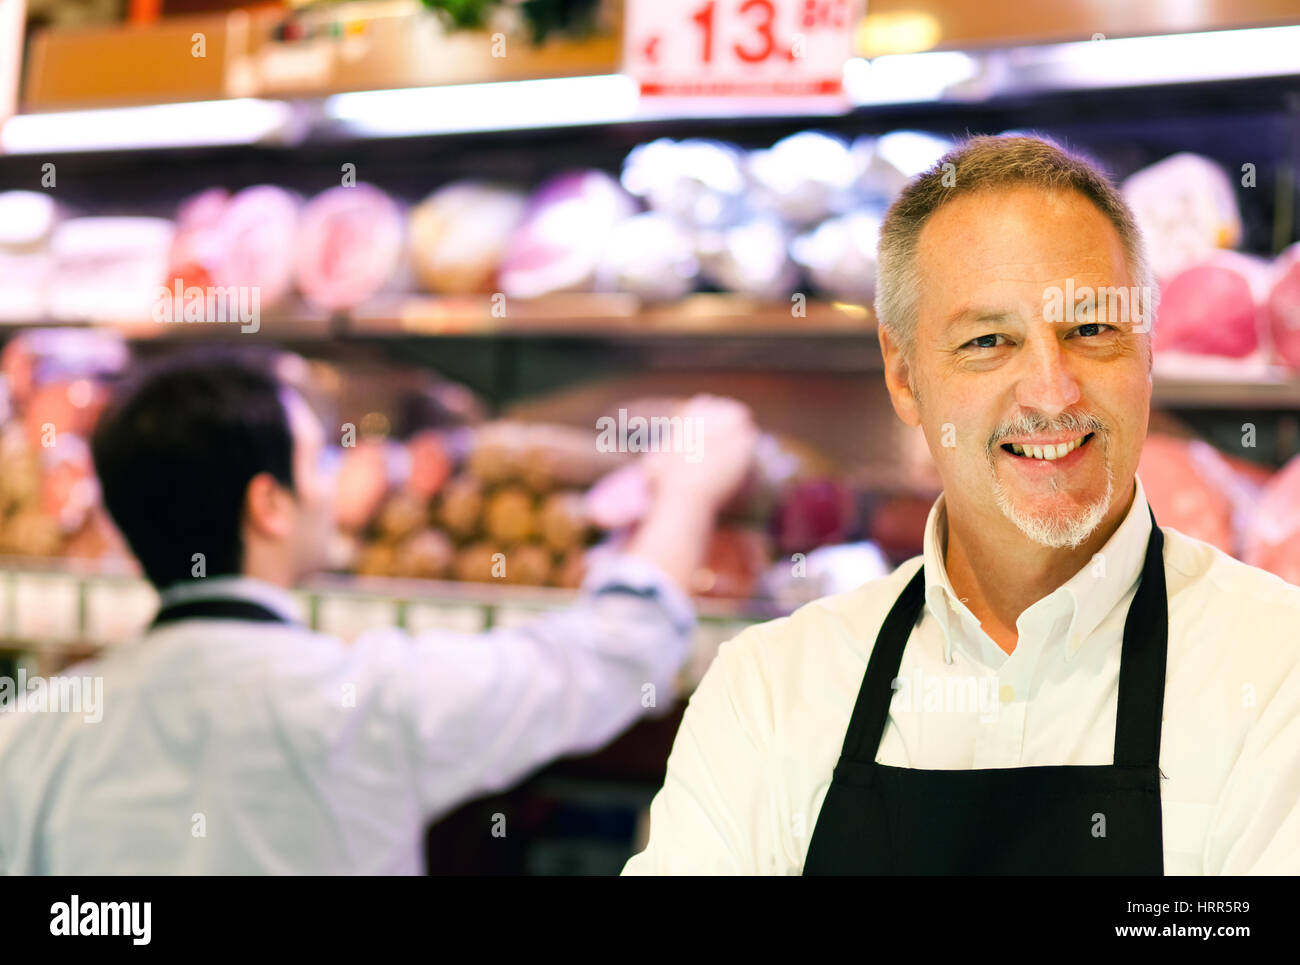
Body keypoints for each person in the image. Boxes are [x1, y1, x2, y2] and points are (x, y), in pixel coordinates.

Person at [624, 135, 1300, 875]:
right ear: (905, 376)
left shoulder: (1275, 670)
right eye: (988, 340)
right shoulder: (769, 689)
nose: (1051, 391)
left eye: (1092, 330)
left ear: (1145, 350)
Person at [0, 349, 757, 874]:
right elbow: (613, 652)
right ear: (268, 504)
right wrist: (687, 492)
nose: (331, 484)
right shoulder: (372, 697)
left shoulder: (34, 732)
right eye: (313, 462)